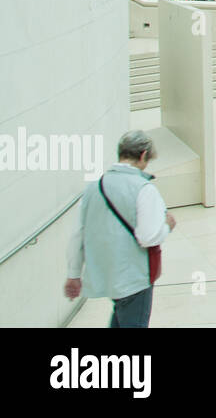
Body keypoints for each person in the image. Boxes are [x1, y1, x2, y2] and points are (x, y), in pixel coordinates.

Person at [64, 131, 175, 328]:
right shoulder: (143, 188)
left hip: (106, 276)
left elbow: (77, 235)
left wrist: (73, 274)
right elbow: (148, 237)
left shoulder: (93, 188)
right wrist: (167, 225)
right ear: (143, 155)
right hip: (135, 278)